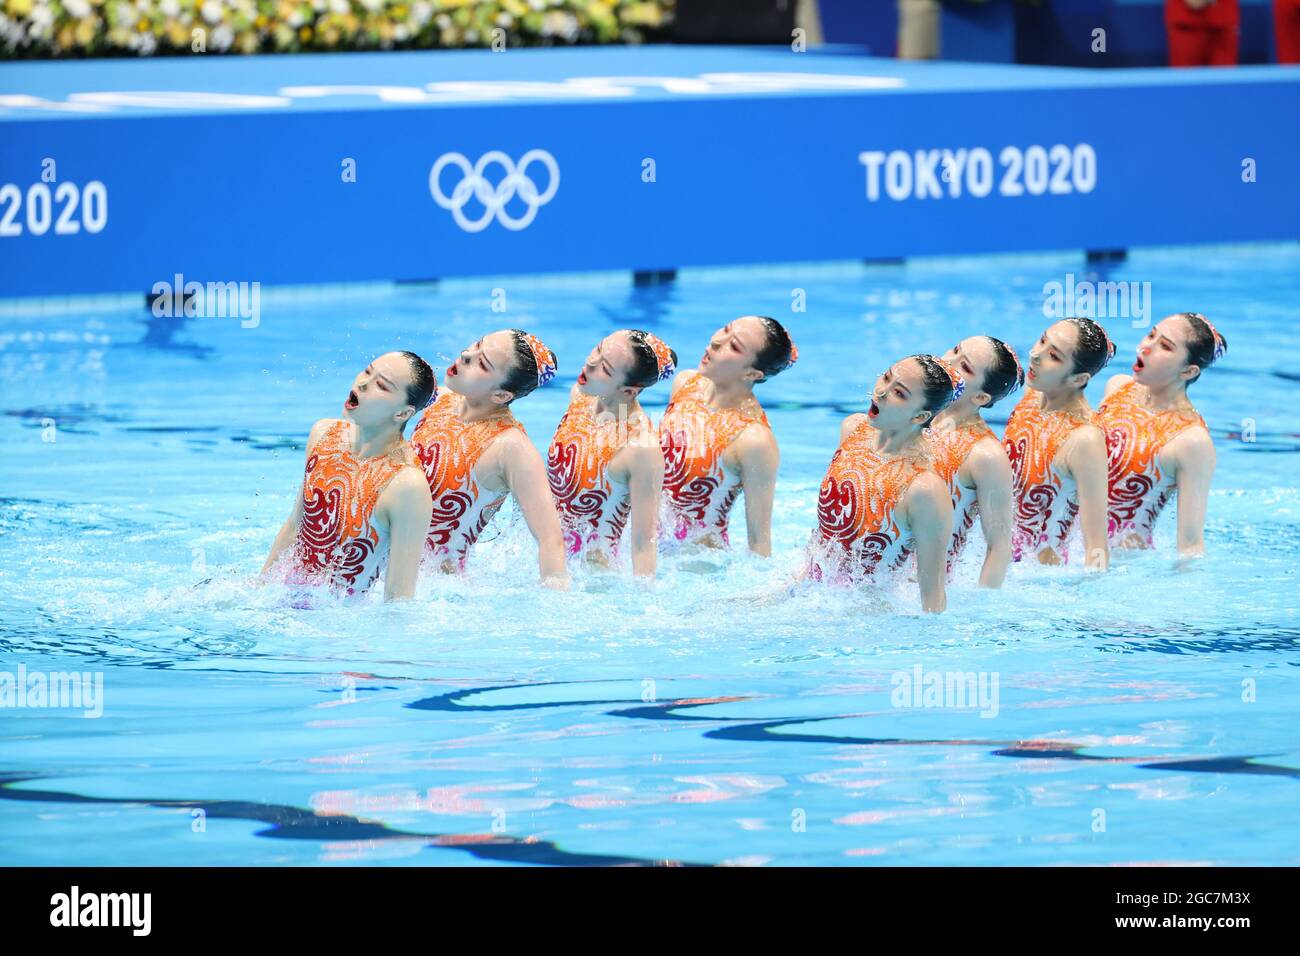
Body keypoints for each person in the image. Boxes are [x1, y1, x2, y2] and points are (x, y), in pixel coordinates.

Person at [262, 351, 435, 601]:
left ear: (402, 414)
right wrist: (260, 587)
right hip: (284, 599)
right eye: (367, 371)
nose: (362, 383)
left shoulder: (407, 485)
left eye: (381, 385)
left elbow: (398, 599)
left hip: (336, 625)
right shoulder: (323, 434)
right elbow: (294, 527)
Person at [410, 329, 568, 587]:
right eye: (476, 344)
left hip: (436, 591)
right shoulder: (440, 399)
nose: (465, 354)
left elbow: (551, 540)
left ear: (501, 396)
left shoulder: (510, 448)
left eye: (482, 363)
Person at [807, 355, 957, 613]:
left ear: (920, 415)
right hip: (809, 592)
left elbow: (932, 597)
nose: (882, 391)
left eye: (899, 393)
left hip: (865, 616)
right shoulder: (853, 431)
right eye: (886, 377)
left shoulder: (925, 489)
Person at [659, 315, 795, 556]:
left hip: (694, 566)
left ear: (752, 374)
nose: (716, 341)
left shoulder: (754, 440)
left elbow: (759, 544)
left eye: (734, 346)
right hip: (646, 544)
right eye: (725, 329)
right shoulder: (686, 384)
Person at [1096, 312, 1225, 556]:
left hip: (1122, 565)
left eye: (1165, 346)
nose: (1146, 347)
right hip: (1071, 550)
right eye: (1151, 335)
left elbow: (1191, 545)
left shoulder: (1191, 440)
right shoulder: (1118, 388)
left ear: (1188, 371)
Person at [547, 330, 673, 576]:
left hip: (594, 579)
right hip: (549, 559)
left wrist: (642, 606)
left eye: (605, 367)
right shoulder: (580, 398)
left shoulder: (641, 448)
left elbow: (643, 544)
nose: (591, 362)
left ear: (628, 391)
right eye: (598, 349)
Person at [1003, 318, 1113, 569]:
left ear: (1077, 379)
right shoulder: (1032, 396)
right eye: (1042, 341)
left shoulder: (1085, 439)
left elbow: (1097, 543)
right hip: (1001, 562)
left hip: (1039, 578)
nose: (1035, 355)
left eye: (1053, 355)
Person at [926, 336, 1019, 587]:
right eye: (955, 350)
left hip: (921, 594)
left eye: (964, 367)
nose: (947, 361)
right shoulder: (914, 414)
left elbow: (999, 547)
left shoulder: (985, 455)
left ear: (980, 398)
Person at [1165, 0, 1240, 66]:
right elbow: (1194, 3)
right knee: (1185, 78)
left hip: (1223, 20)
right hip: (1185, 22)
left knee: (1224, 78)